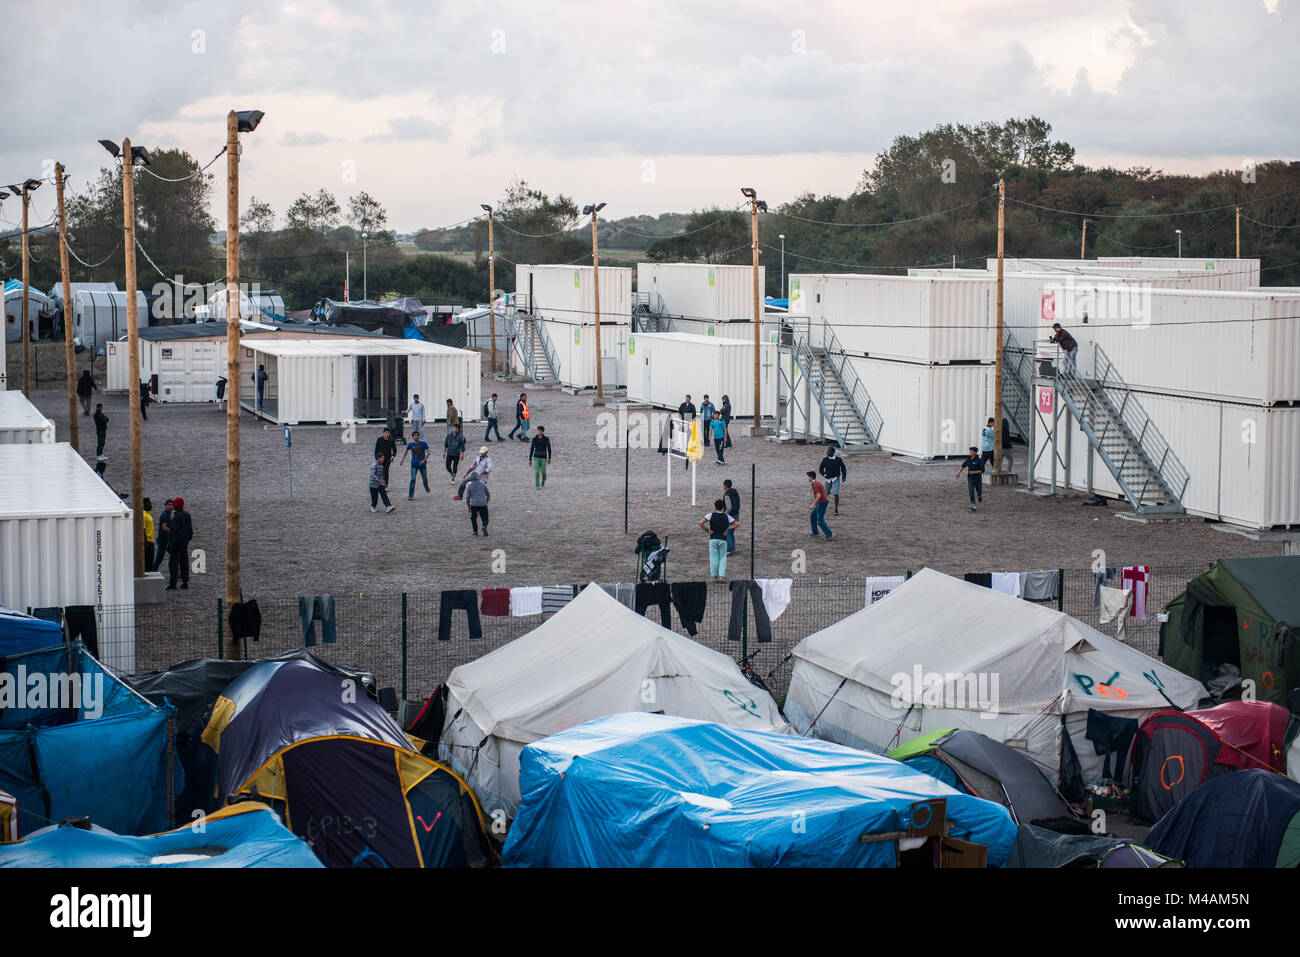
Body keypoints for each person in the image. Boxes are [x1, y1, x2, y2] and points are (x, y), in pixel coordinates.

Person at [699, 499, 738, 582]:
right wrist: (727, 528)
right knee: (723, 558)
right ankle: (722, 577)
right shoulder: (727, 516)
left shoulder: (710, 515)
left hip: (713, 539)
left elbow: (701, 523)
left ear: (715, 506)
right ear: (723, 507)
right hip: (723, 539)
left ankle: (715, 577)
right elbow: (737, 524)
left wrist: (707, 530)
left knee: (713, 558)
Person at [166, 496, 194, 590]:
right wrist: (187, 539)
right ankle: (185, 582)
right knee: (184, 563)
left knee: (173, 564)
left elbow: (175, 532)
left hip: (176, 544)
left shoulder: (176, 517)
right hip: (184, 543)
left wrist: (171, 544)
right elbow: (190, 531)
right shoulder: (187, 515)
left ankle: (173, 584)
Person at [401, 429, 431, 498]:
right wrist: (402, 459)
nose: (416, 436)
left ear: (419, 436)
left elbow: (429, 452)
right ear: (412, 437)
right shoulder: (410, 444)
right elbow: (406, 452)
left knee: (425, 479)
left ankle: (426, 487)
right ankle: (411, 495)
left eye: (417, 435)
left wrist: (424, 460)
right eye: (415, 435)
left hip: (422, 465)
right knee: (413, 479)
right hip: (414, 465)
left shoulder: (423, 443)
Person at [818, 446, 848, 515]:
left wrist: (844, 476)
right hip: (827, 479)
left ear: (833, 452)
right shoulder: (825, 460)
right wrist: (824, 474)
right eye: (827, 451)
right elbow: (821, 469)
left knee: (836, 493)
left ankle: (836, 509)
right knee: (825, 494)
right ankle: (823, 508)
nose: (827, 452)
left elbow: (843, 468)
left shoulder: (838, 460)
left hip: (835, 478)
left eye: (828, 451)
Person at [956, 445, 985, 512]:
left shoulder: (979, 460)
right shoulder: (968, 459)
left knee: (979, 490)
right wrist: (959, 473)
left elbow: (982, 470)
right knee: (971, 492)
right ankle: (973, 506)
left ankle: (979, 496)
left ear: (974, 452)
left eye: (971, 451)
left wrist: (974, 472)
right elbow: (963, 466)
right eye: (970, 451)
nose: (970, 452)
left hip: (978, 478)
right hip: (970, 478)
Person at [807, 470, 833, 539]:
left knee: (820, 520)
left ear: (811, 477)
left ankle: (829, 534)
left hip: (822, 502)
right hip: (822, 502)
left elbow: (819, 496)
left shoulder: (815, 485)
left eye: (808, 477)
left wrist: (813, 504)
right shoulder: (817, 483)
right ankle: (815, 533)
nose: (807, 478)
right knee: (813, 515)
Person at [465, 470, 490, 536]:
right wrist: (486, 502)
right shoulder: (482, 483)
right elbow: (488, 495)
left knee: (473, 518)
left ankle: (475, 532)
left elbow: (467, 498)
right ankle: (484, 526)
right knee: (485, 518)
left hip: (474, 504)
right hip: (483, 503)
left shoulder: (469, 486)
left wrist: (469, 508)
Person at [153, 499, 173, 572]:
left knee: (174, 555)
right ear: (166, 506)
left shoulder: (169, 514)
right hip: (163, 540)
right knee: (159, 558)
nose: (171, 507)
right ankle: (153, 571)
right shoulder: (165, 515)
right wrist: (173, 531)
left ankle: (177, 571)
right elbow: (164, 527)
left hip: (167, 540)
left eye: (172, 505)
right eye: (169, 505)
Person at [722, 479, 741, 556]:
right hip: (736, 515)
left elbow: (729, 507)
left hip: (730, 516)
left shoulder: (727, 495)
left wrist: (724, 514)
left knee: (728, 533)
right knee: (732, 533)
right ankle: (733, 549)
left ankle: (729, 550)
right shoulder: (735, 493)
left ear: (726, 485)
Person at [142, 497, 156, 572]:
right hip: (147, 542)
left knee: (150, 563)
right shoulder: (143, 515)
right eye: (150, 503)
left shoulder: (147, 514)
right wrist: (145, 544)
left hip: (151, 541)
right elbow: (142, 530)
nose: (151, 505)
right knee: (147, 563)